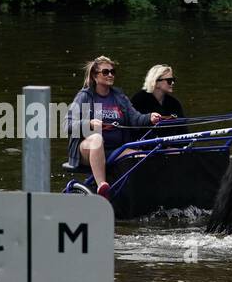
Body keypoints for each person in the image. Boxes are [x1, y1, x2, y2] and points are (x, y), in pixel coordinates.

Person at [66, 56, 163, 198]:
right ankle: (102, 186)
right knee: (97, 139)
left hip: (116, 150)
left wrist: (150, 117)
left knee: (144, 158)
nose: (110, 75)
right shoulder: (85, 97)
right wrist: (89, 123)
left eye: (113, 71)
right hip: (87, 149)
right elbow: (67, 125)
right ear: (95, 75)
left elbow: (135, 119)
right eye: (105, 72)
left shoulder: (119, 97)